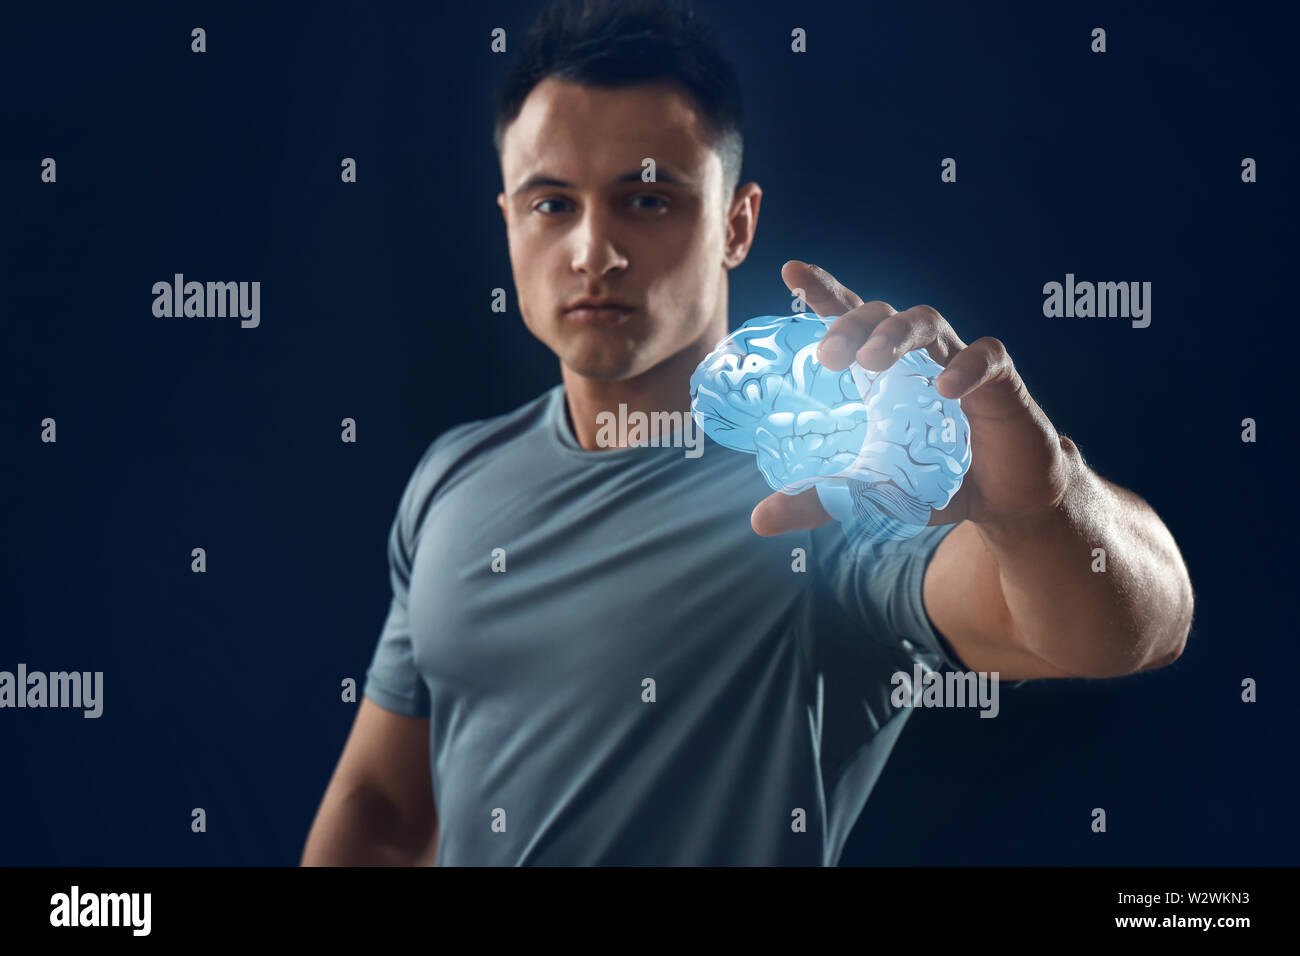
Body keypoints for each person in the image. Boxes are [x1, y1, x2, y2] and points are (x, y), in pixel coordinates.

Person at [301, 0, 1193, 866]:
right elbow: (377, 810)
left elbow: (1132, 631)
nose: (594, 252)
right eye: (552, 204)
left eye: (647, 201)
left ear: (736, 224)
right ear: (507, 220)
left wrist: (1040, 510)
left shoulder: (831, 491)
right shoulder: (454, 478)